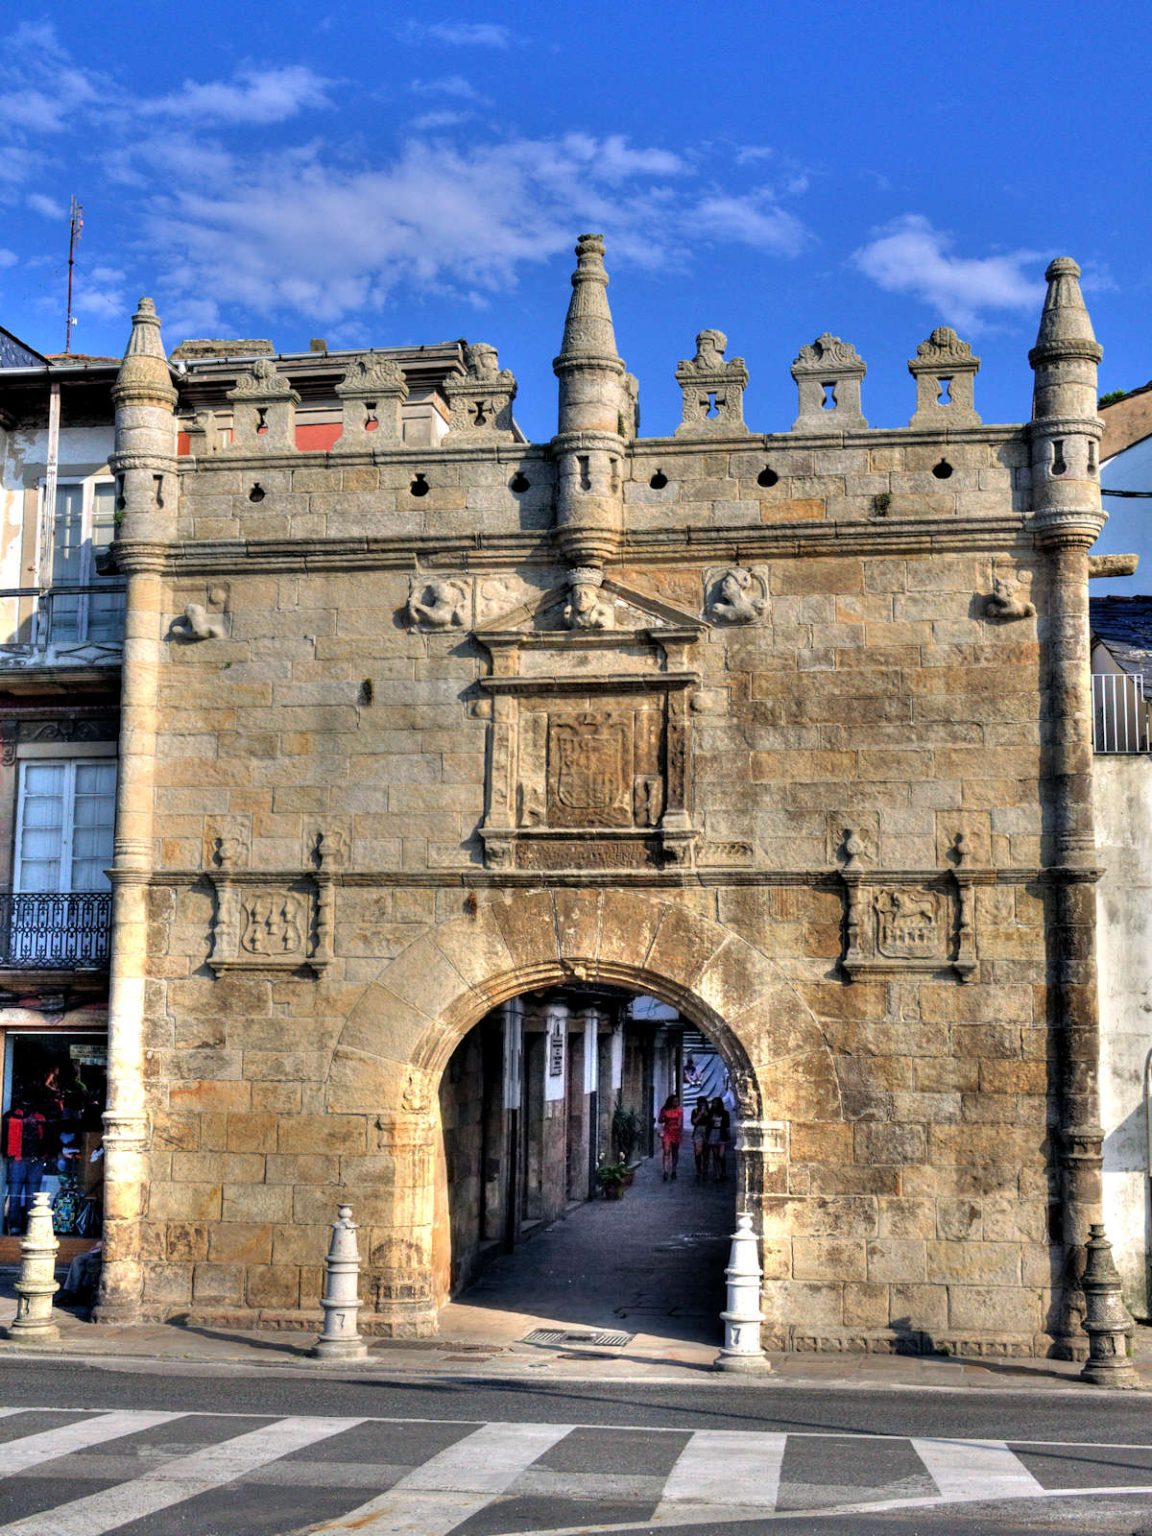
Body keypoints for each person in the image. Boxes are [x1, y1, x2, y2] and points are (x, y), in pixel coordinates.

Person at [657, 1093, 683, 1182]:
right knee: (666, 1151)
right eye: (675, 1101)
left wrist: (678, 1129)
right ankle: (665, 1171)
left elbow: (679, 1123)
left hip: (675, 1132)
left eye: (677, 1101)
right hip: (667, 1132)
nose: (677, 1103)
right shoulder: (664, 1110)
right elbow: (660, 1120)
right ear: (671, 1101)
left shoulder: (679, 1111)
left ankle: (674, 1170)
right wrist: (665, 1119)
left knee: (675, 1153)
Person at [707, 1096, 731, 1182]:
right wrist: (711, 1120)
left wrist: (728, 1136)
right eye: (713, 1103)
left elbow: (727, 1126)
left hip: (722, 1134)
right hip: (713, 1133)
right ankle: (717, 1174)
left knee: (721, 1155)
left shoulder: (725, 1114)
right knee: (715, 1156)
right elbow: (708, 1124)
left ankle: (723, 1171)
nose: (714, 1105)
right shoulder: (710, 1113)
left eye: (716, 1103)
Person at [690, 1097, 710, 1182]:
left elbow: (711, 1122)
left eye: (703, 1104)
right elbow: (693, 1122)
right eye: (700, 1104)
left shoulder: (709, 1112)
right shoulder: (694, 1111)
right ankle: (699, 1170)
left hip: (707, 1132)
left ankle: (705, 1170)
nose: (702, 1105)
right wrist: (699, 1115)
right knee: (698, 1152)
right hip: (698, 1132)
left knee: (706, 1152)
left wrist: (706, 1114)